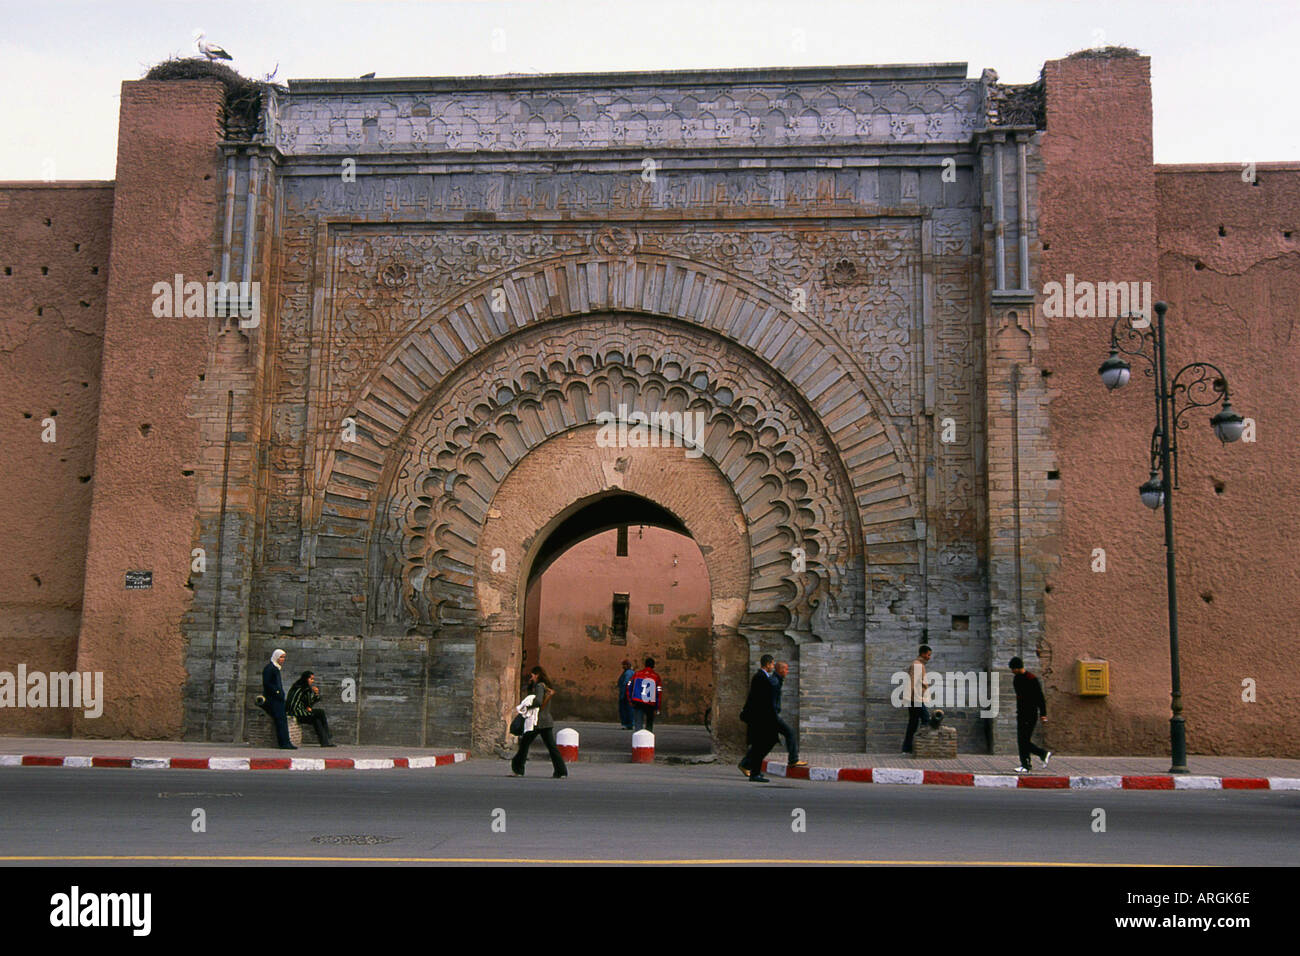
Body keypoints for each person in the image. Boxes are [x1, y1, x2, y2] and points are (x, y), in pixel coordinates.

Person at [511, 666, 568, 778]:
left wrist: (527, 706)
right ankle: (561, 772)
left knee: (524, 745)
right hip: (546, 722)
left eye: (532, 675)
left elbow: (537, 701)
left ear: (537, 675)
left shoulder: (539, 686)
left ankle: (518, 769)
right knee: (552, 747)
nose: (531, 677)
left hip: (536, 722)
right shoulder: (546, 687)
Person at [738, 655, 779, 783]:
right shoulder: (760, 678)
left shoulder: (763, 677)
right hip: (759, 718)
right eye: (772, 664)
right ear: (767, 664)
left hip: (761, 718)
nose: (773, 666)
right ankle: (754, 772)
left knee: (759, 746)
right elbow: (761, 700)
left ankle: (753, 770)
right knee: (760, 746)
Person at [1010, 656, 1051, 772]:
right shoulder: (1016, 679)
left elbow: (1040, 697)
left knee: (1023, 741)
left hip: (1030, 714)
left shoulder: (1031, 679)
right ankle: (1026, 764)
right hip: (1021, 713)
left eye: (1013, 669)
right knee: (1022, 740)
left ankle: (1041, 754)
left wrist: (1043, 714)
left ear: (1017, 667)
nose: (1012, 671)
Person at [287, 670, 335, 747]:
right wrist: (316, 694)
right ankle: (327, 733)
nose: (312, 681)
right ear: (306, 679)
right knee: (320, 712)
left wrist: (308, 707)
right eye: (311, 679)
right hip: (298, 712)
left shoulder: (296, 686)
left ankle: (325, 742)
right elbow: (309, 703)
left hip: (292, 711)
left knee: (316, 720)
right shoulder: (306, 689)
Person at [771, 661, 806, 768]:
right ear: (780, 670)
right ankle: (793, 760)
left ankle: (746, 763)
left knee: (765, 741)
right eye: (786, 669)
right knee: (790, 733)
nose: (787, 671)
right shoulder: (774, 682)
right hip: (771, 715)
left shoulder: (776, 680)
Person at [900, 644, 932, 754]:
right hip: (916, 699)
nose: (929, 657)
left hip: (915, 698)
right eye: (928, 655)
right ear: (923, 654)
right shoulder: (917, 665)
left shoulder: (918, 664)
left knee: (913, 723)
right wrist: (907, 698)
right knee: (926, 719)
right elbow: (912, 683)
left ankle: (907, 749)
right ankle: (924, 746)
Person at [261, 649, 296, 750]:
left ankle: (286, 742)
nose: (282, 659)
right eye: (281, 657)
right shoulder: (270, 668)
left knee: (283, 720)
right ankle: (284, 743)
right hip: (273, 699)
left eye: (284, 657)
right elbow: (267, 684)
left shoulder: (275, 668)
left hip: (278, 699)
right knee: (280, 720)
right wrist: (278, 692)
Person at [627, 657, 663, 732]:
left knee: (638, 723)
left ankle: (638, 740)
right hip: (650, 703)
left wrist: (630, 700)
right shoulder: (656, 676)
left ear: (645, 665)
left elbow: (629, 686)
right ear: (653, 666)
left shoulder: (637, 674)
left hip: (638, 701)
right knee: (649, 723)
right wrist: (657, 707)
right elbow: (658, 692)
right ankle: (648, 739)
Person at [617, 659, 636, 730]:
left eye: (624, 664)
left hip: (626, 694)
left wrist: (624, 693)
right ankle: (629, 724)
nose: (623, 666)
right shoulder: (628, 672)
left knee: (626, 710)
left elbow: (626, 683)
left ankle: (628, 724)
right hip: (628, 694)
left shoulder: (628, 673)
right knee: (628, 710)